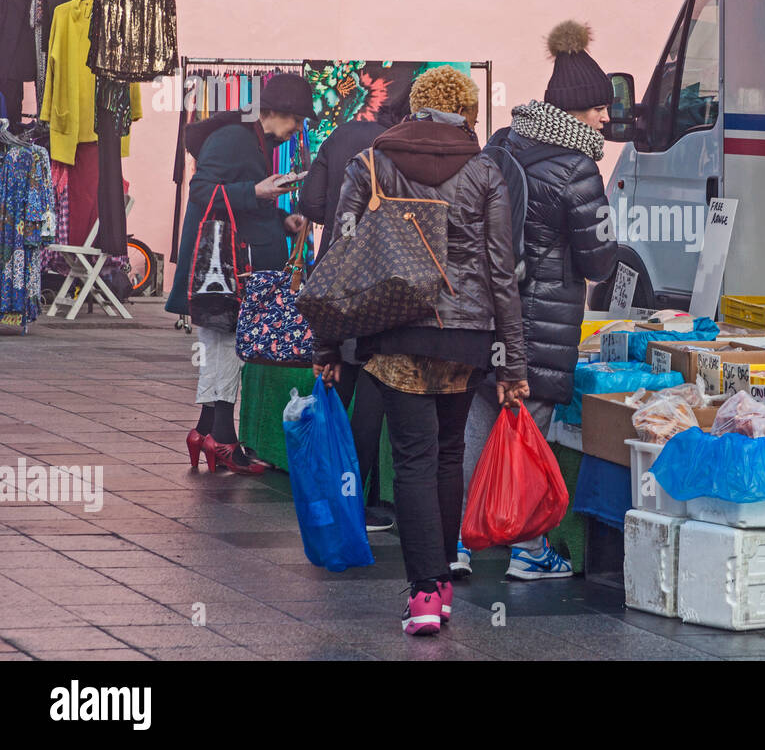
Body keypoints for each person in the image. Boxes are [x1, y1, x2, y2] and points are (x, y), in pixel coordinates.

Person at [313, 65, 528, 636]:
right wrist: (512, 362)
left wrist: (327, 344)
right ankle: (445, 585)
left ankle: (425, 593)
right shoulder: (485, 170)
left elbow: (339, 255)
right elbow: (501, 271)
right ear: (468, 113)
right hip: (467, 336)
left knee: (413, 457)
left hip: (396, 329)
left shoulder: (371, 163)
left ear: (413, 107)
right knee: (448, 454)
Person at [457, 20, 618, 580]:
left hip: (485, 314)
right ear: (575, 109)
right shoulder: (577, 168)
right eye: (599, 108)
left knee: (479, 419)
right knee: (530, 430)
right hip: (541, 324)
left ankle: (457, 541)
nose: (606, 118)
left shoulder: (501, 144)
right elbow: (599, 261)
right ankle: (528, 548)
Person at [167, 73, 312, 474]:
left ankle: (206, 433)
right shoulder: (234, 138)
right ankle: (222, 439)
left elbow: (240, 201)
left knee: (221, 345)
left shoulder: (253, 140)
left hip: (229, 268)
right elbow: (202, 191)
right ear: (277, 111)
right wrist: (257, 192)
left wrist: (282, 220)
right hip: (224, 269)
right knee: (228, 345)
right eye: (297, 119)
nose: (298, 127)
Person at [298, 99, 405, 532]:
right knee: (371, 391)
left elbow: (310, 203)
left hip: (337, 270)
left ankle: (324, 494)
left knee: (336, 382)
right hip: (382, 278)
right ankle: (357, 501)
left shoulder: (340, 135)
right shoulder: (399, 146)